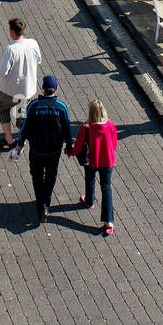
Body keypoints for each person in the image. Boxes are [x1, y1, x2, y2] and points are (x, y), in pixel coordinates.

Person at [12, 75, 72, 224]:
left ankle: (41, 205)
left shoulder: (34, 106)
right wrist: (69, 146)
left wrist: (19, 145)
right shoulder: (61, 107)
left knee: (37, 177)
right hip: (54, 151)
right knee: (51, 176)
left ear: (43, 89)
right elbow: (67, 129)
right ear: (56, 89)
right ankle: (47, 201)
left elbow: (25, 128)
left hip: (37, 151)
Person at [68, 98, 118, 237]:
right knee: (106, 187)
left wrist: (70, 152)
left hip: (92, 160)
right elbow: (114, 143)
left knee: (90, 179)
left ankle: (89, 200)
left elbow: (78, 146)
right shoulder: (111, 124)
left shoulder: (87, 127)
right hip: (108, 161)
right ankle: (109, 221)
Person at [0, 18, 41, 149]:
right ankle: (23, 137)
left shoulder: (10, 50)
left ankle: (9, 140)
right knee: (22, 114)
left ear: (11, 31)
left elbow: (2, 72)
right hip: (27, 89)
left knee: (2, 111)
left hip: (9, 90)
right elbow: (38, 60)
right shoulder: (33, 43)